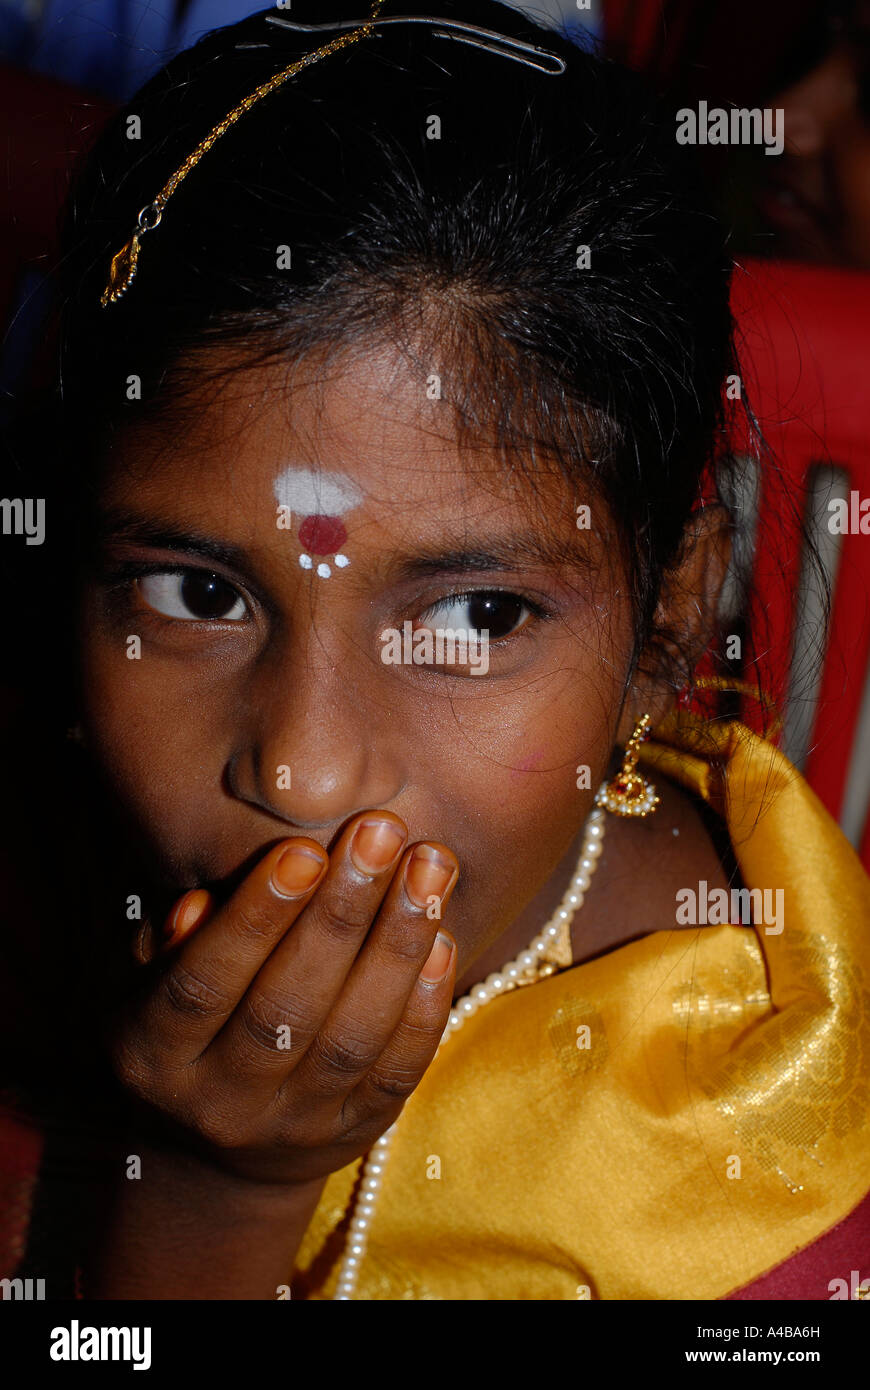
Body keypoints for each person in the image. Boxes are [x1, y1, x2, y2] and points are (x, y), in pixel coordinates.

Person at [1, 0, 868, 1301]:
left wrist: (209, 1197)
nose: (298, 768)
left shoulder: (759, 1185)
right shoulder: (54, 840)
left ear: (666, 623)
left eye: (474, 617)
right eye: (193, 590)